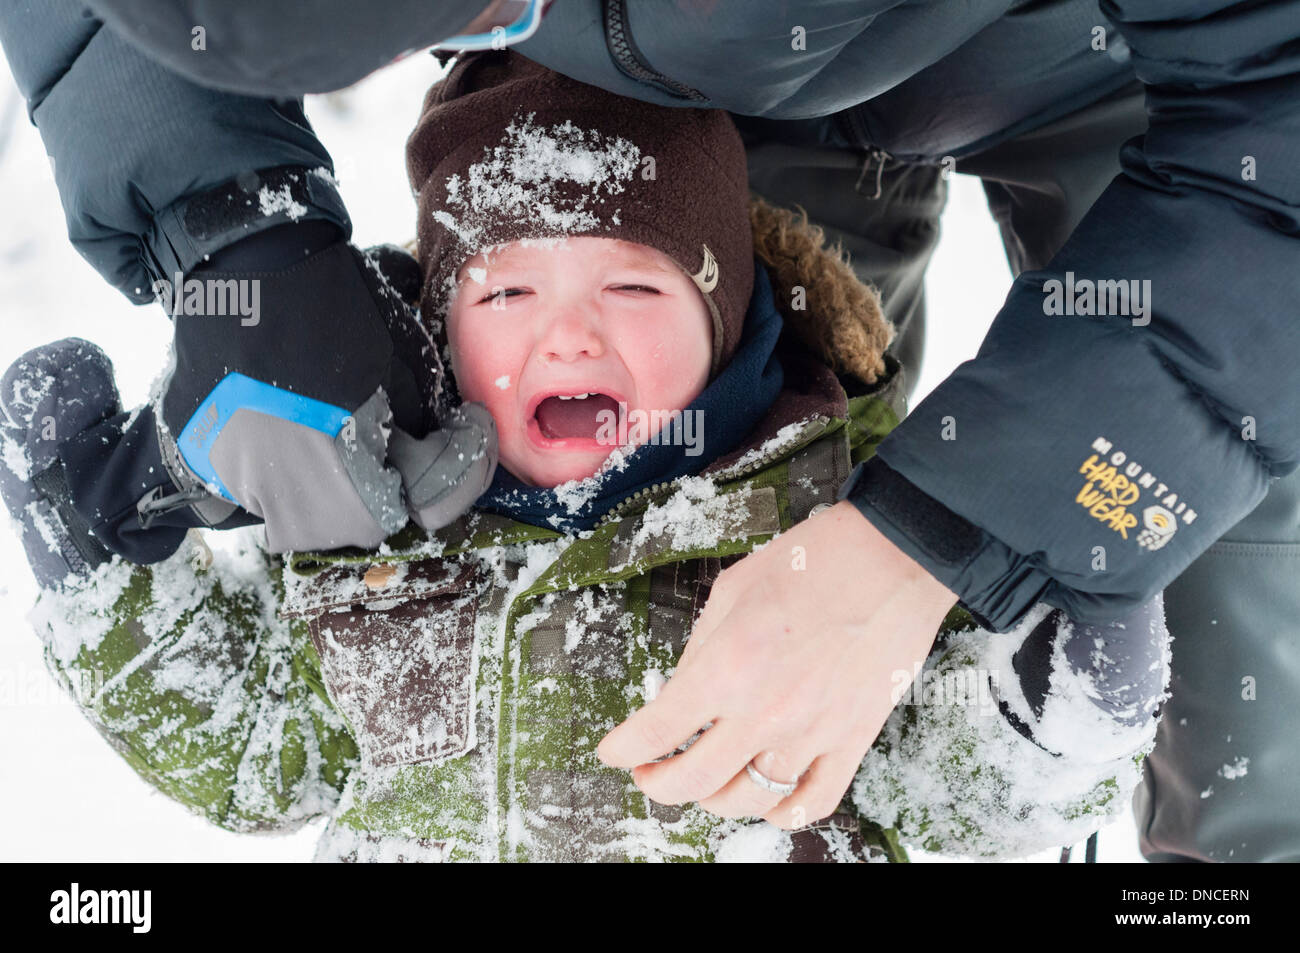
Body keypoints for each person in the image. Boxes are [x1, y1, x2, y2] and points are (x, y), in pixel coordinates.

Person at [1, 0, 1295, 860]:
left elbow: (947, 793)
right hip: (727, 64)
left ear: (734, 329)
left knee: (1243, 671)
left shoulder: (796, 523)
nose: (565, 337)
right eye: (504, 296)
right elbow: (253, 734)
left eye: (628, 291)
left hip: (1147, 77)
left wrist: (1002, 600)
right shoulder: (377, 558)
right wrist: (234, 237)